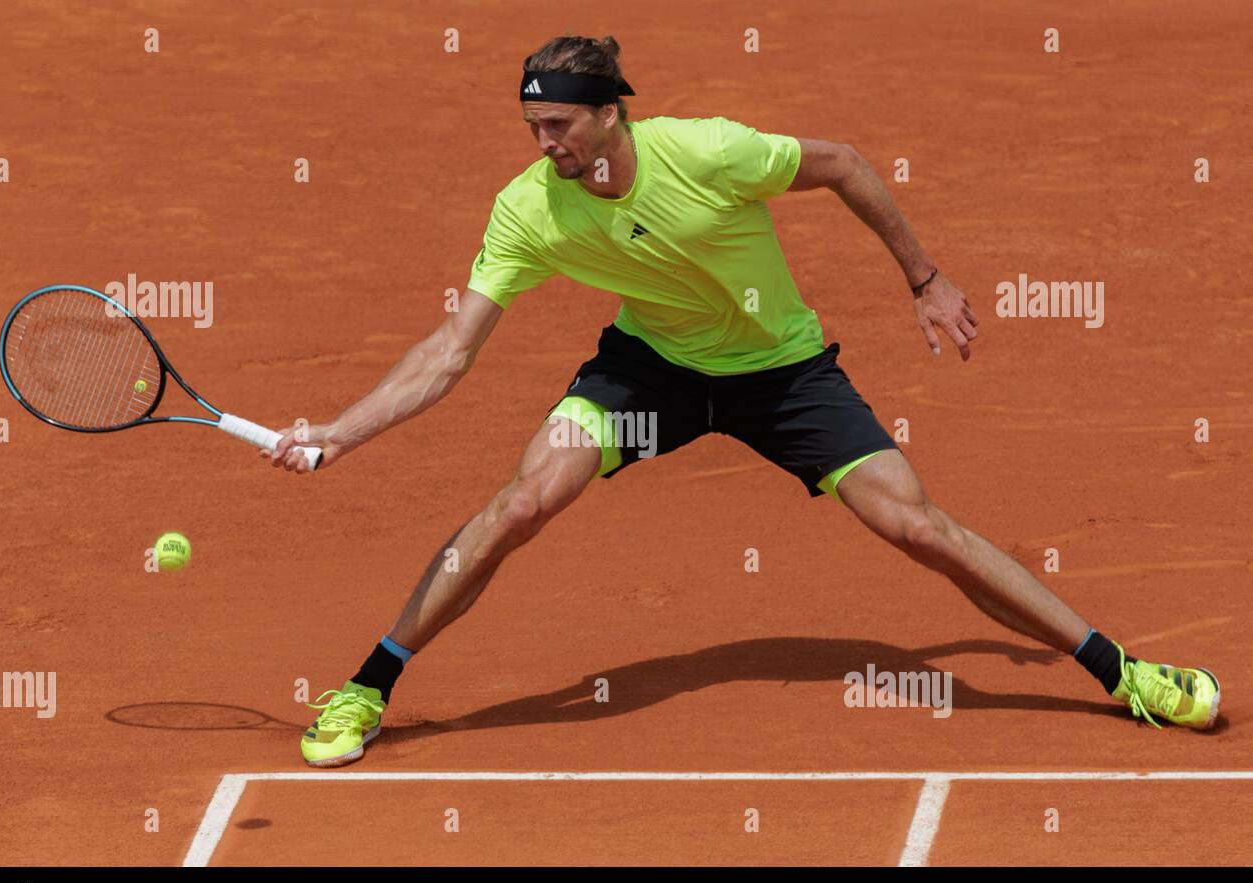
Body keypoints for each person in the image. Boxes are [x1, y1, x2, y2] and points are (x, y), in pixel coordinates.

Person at [268, 35, 1220, 767]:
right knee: (523, 502)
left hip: (783, 374)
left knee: (918, 527)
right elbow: (450, 350)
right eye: (532, 128)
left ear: (611, 116)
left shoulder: (709, 153)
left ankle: (1123, 672)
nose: (544, 144)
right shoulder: (529, 208)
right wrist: (340, 435)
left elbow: (843, 162)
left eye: (558, 125)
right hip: (652, 372)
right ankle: (369, 684)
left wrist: (924, 279)